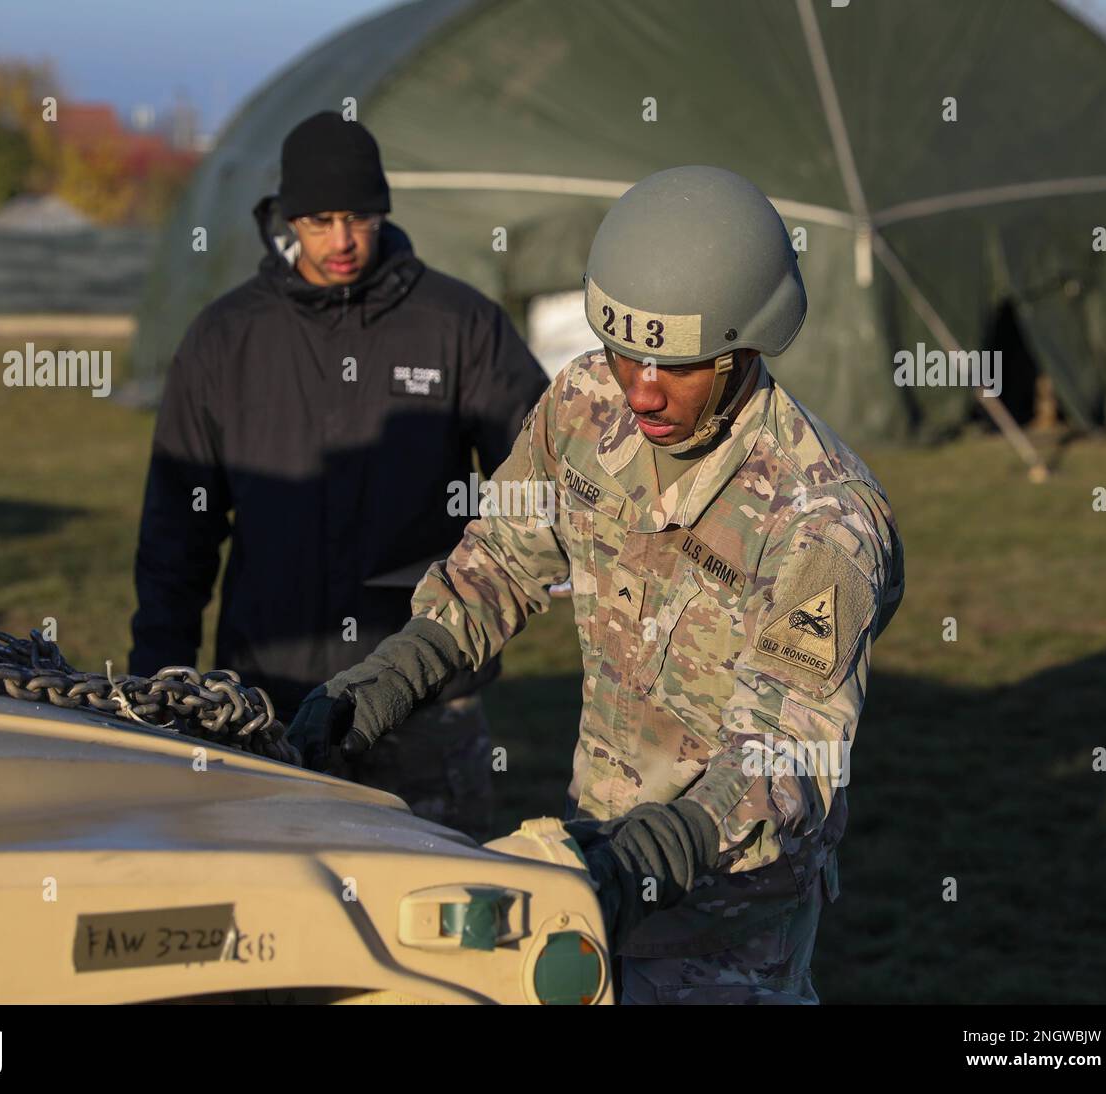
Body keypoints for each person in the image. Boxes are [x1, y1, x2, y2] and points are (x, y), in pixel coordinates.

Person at [286, 165, 905, 1004]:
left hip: (722, 932)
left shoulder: (824, 522)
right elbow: (498, 565)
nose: (640, 389)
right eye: (624, 352)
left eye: (678, 366)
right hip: (587, 863)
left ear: (745, 348)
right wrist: (384, 683)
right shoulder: (583, 404)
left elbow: (789, 754)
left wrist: (645, 859)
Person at [129, 111, 547, 840]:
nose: (344, 241)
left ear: (383, 212)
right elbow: (178, 527)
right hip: (265, 693)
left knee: (440, 915)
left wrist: (478, 594)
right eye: (321, 220)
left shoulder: (459, 325)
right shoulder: (227, 339)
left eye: (359, 217)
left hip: (423, 695)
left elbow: (541, 471)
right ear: (289, 219)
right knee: (274, 913)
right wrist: (156, 674)